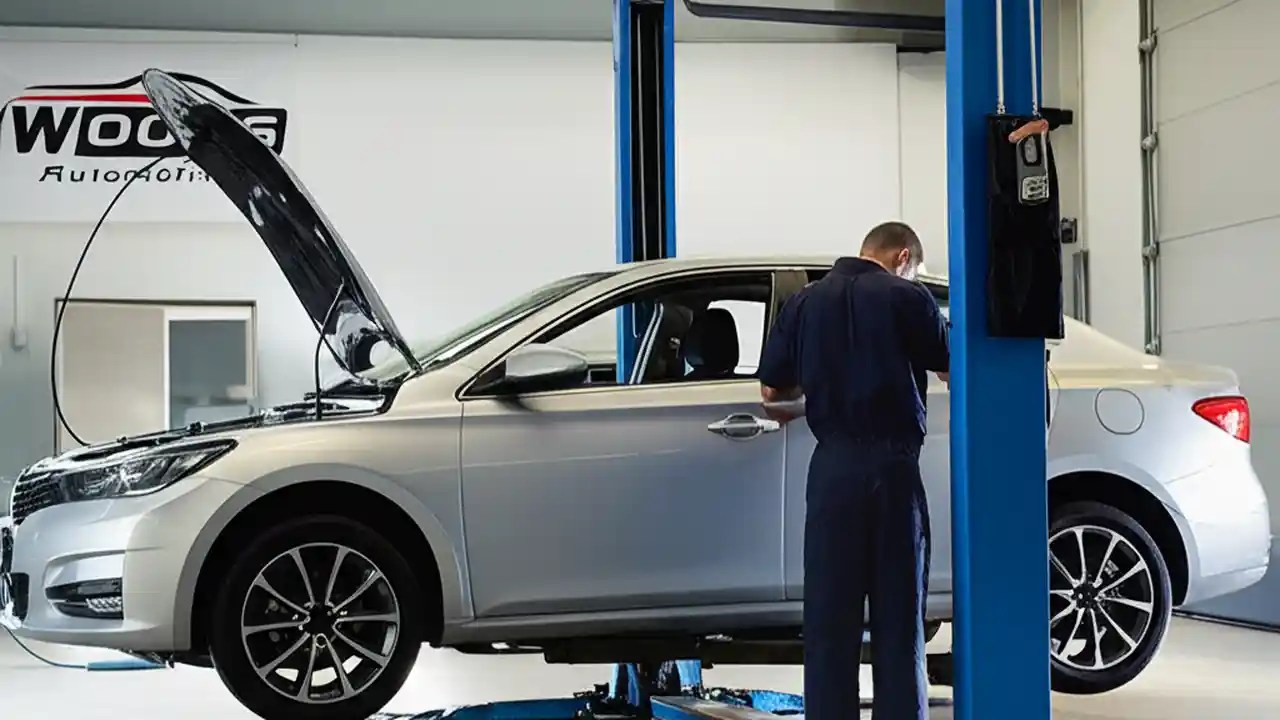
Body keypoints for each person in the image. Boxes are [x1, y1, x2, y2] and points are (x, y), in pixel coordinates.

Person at [757, 221, 949, 720]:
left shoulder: (804, 302)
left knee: (828, 625)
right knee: (899, 621)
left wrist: (822, 389)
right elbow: (956, 370)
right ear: (904, 256)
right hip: (894, 471)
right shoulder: (909, 299)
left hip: (833, 471)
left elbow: (773, 395)